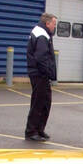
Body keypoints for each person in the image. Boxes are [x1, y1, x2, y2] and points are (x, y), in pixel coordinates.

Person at [25, 13, 56, 141]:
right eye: (54, 24)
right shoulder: (41, 35)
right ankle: (31, 131)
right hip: (39, 75)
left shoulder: (42, 33)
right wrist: (47, 72)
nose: (55, 26)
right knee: (38, 103)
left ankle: (39, 129)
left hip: (41, 74)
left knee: (45, 102)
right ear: (47, 23)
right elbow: (41, 57)